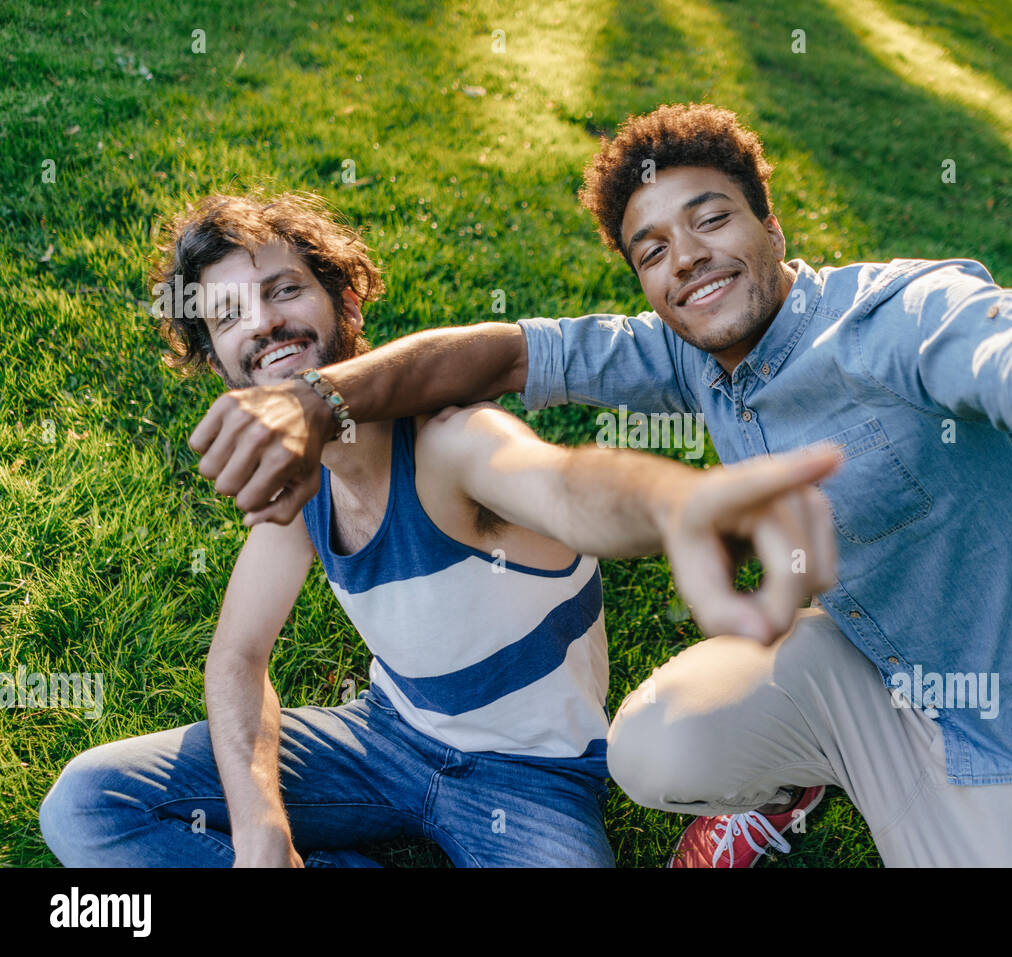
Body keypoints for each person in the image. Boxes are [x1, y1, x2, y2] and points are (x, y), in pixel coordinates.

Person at [185, 105, 1012, 868]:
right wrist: (323, 402)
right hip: (841, 656)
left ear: (772, 224)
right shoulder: (685, 350)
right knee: (652, 750)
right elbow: (500, 354)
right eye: (651, 248)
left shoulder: (894, 316)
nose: (686, 259)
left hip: (996, 722)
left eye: (710, 218)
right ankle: (788, 793)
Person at [38, 190, 838, 868]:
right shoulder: (299, 484)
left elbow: (563, 485)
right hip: (383, 740)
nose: (265, 324)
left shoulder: (451, 442)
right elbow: (237, 656)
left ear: (344, 302)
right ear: (218, 361)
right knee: (84, 807)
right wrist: (260, 828)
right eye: (230, 316)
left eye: (284, 290)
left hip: (532, 780)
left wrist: (677, 505)